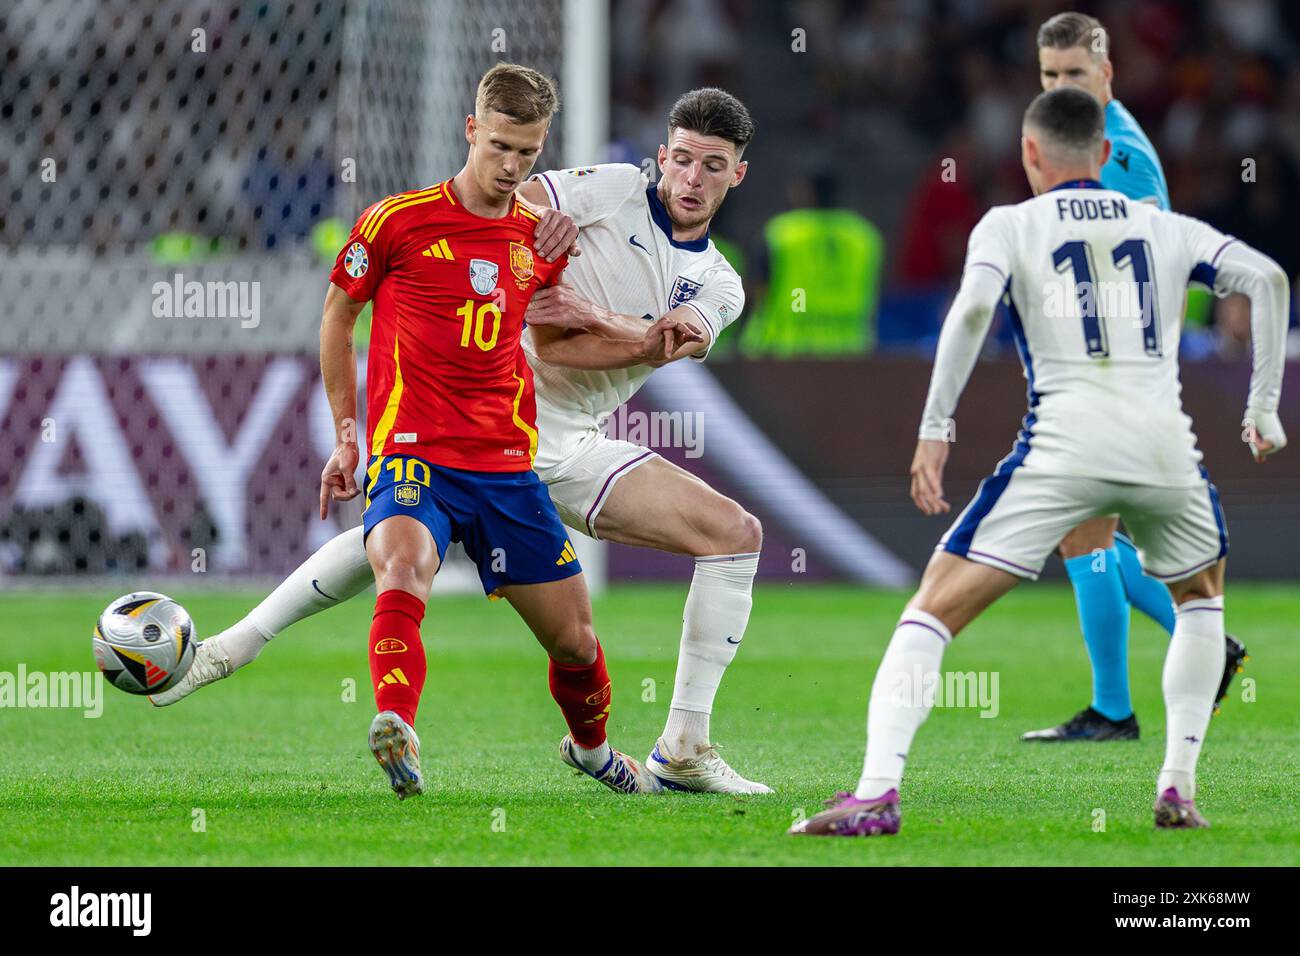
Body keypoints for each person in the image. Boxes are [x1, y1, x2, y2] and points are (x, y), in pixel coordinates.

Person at [153, 87, 773, 795]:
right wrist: (542, 237)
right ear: (662, 156)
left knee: (732, 534)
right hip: (479, 410)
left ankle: (682, 747)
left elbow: (661, 345)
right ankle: (246, 654)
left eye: (713, 167)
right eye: (683, 160)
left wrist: (590, 314)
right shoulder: (614, 188)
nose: (692, 180)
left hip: (565, 442)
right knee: (401, 550)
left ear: (737, 175)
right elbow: (514, 203)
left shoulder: (721, 282)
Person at [792, 86, 1288, 836]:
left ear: (1030, 154)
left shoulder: (1010, 223)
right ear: (1105, 155)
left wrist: (936, 427)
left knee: (930, 609)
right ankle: (1177, 789)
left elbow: (969, 312)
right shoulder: (1165, 226)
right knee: (1202, 603)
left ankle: (875, 794)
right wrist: (1261, 407)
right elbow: (1269, 279)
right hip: (1165, 449)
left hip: (1063, 446)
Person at [316, 62, 695, 799]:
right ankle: (398, 727)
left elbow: (553, 343)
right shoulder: (396, 221)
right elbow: (337, 315)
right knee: (402, 568)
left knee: (576, 642)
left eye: (528, 152)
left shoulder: (537, 238)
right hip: (412, 453)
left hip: (504, 466)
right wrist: (345, 433)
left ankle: (590, 750)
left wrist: (643, 343)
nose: (512, 166)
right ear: (471, 131)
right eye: (499, 147)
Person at [1023, 11, 1245, 742]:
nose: (1061, 86)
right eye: (1050, 75)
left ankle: (1121, 706)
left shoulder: (1125, 157)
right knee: (1086, 534)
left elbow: (1148, 260)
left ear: (1107, 74)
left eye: (1075, 75)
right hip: (1092, 362)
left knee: (1086, 532)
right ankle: (1193, 653)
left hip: (1114, 365)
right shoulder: (1072, 140)